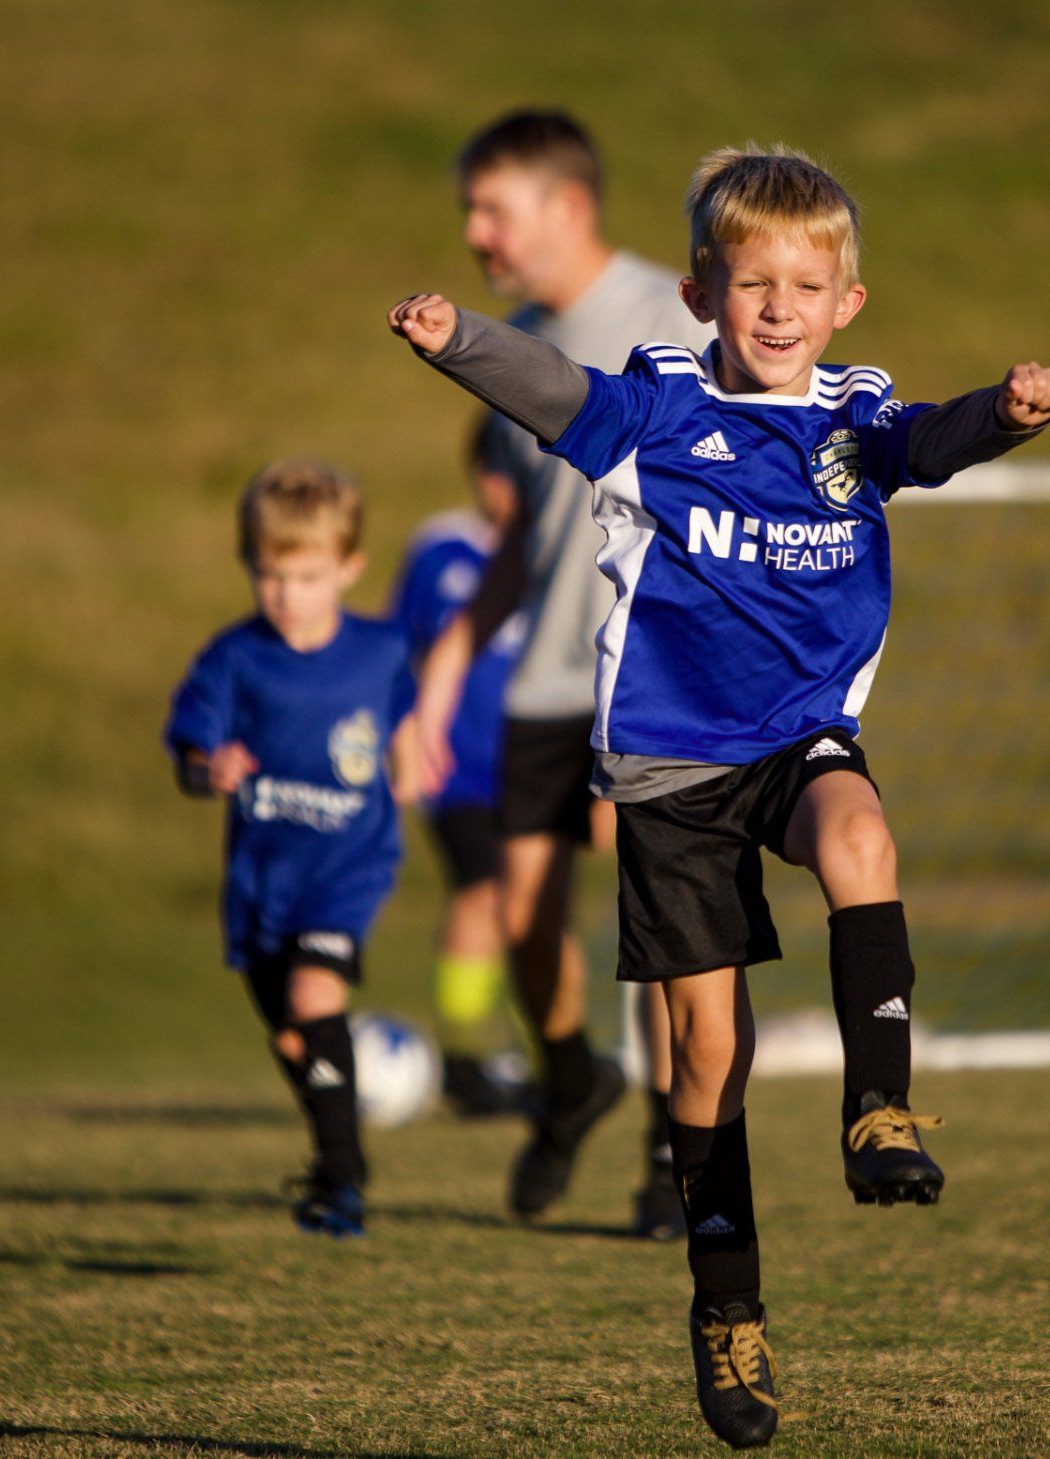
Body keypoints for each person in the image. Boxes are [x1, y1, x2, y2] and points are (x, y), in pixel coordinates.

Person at [390, 144, 1050, 1447]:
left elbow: (928, 441)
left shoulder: (853, 418)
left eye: (805, 286)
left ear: (846, 303)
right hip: (669, 767)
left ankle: (880, 1106)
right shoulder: (656, 413)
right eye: (750, 281)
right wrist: (460, 338)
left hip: (798, 736)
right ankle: (728, 1308)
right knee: (709, 1054)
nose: (777, 307)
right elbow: (553, 391)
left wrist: (1006, 411)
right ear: (702, 293)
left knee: (861, 829)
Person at [420, 110, 716, 1236]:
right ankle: (570, 1079)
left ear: (568, 206)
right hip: (544, 683)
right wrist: (449, 660)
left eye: (492, 206)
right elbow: (525, 542)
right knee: (525, 914)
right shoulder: (511, 346)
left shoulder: (673, 315)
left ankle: (667, 1144)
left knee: (650, 916)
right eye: (469, 209)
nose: (475, 230)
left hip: (650, 675)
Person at [165, 460, 420, 1239]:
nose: (285, 593)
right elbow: (188, 752)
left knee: (316, 998)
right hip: (261, 881)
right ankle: (335, 1153)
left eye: (306, 575)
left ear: (347, 568)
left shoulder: (379, 651)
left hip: (348, 867)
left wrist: (412, 762)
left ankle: (343, 1181)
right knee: (291, 1034)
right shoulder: (232, 658)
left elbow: (404, 715)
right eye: (269, 574)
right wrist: (211, 769)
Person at [386, 430, 533, 1116]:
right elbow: (397, 648)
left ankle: (536, 1054)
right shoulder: (441, 547)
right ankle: (466, 1054)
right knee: (480, 891)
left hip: (537, 763)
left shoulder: (562, 545)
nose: (507, 491)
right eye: (499, 474)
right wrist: (406, 731)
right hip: (457, 768)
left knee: (534, 905)